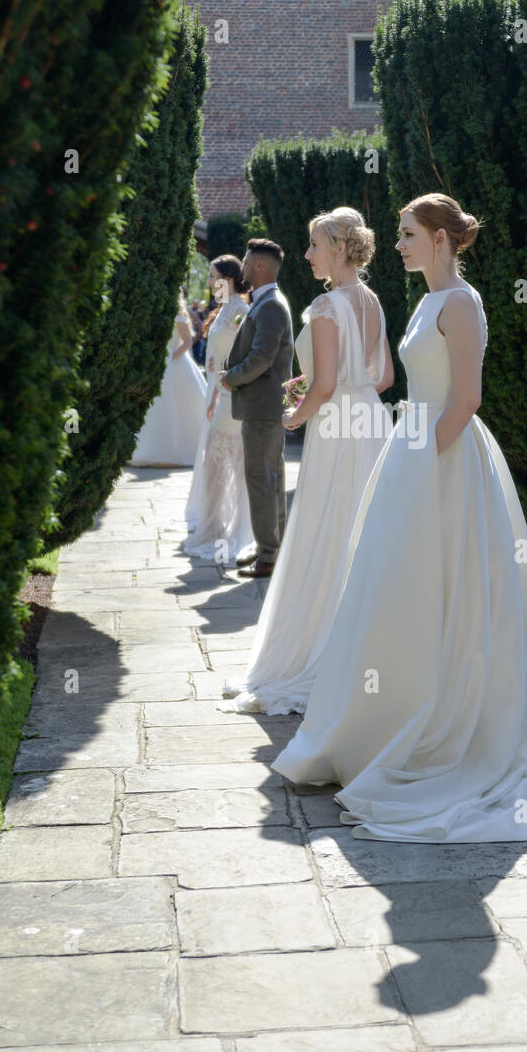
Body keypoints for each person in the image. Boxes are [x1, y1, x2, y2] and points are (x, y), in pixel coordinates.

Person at [273, 193, 527, 843]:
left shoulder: (461, 302)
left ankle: (448, 733)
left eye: (408, 234)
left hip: (445, 460)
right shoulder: (425, 300)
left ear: (440, 238)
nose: (398, 243)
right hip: (413, 449)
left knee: (448, 588)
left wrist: (420, 470)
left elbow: (465, 398)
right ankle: (378, 726)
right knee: (391, 592)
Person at [219, 208, 394, 714]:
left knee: (326, 527)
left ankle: (319, 648)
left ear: (339, 248)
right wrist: (327, 387)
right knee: (363, 530)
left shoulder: (323, 306)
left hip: (336, 429)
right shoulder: (372, 300)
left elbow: (322, 386)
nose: (307, 253)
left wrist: (295, 416)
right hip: (371, 422)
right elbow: (380, 377)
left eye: (314, 244)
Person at [220, 238, 294, 578]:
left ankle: (268, 554)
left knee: (261, 479)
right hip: (263, 407)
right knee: (270, 478)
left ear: (260, 267)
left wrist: (231, 378)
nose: (244, 266)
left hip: (263, 408)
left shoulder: (271, 306)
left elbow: (261, 358)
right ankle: (271, 548)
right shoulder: (265, 302)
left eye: (248, 261)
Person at [183, 256, 254, 563]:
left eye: (214, 276)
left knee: (228, 466)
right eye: (210, 276)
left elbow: (247, 355)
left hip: (232, 397)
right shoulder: (224, 309)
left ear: (230, 278)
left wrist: (224, 371)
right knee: (215, 464)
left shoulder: (242, 311)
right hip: (217, 393)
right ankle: (214, 525)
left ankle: (233, 530)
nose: (211, 282)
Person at [131, 293, 207, 466]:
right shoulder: (159, 316)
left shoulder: (179, 317)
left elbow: (188, 341)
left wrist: (173, 357)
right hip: (162, 362)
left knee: (178, 405)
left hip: (176, 362)